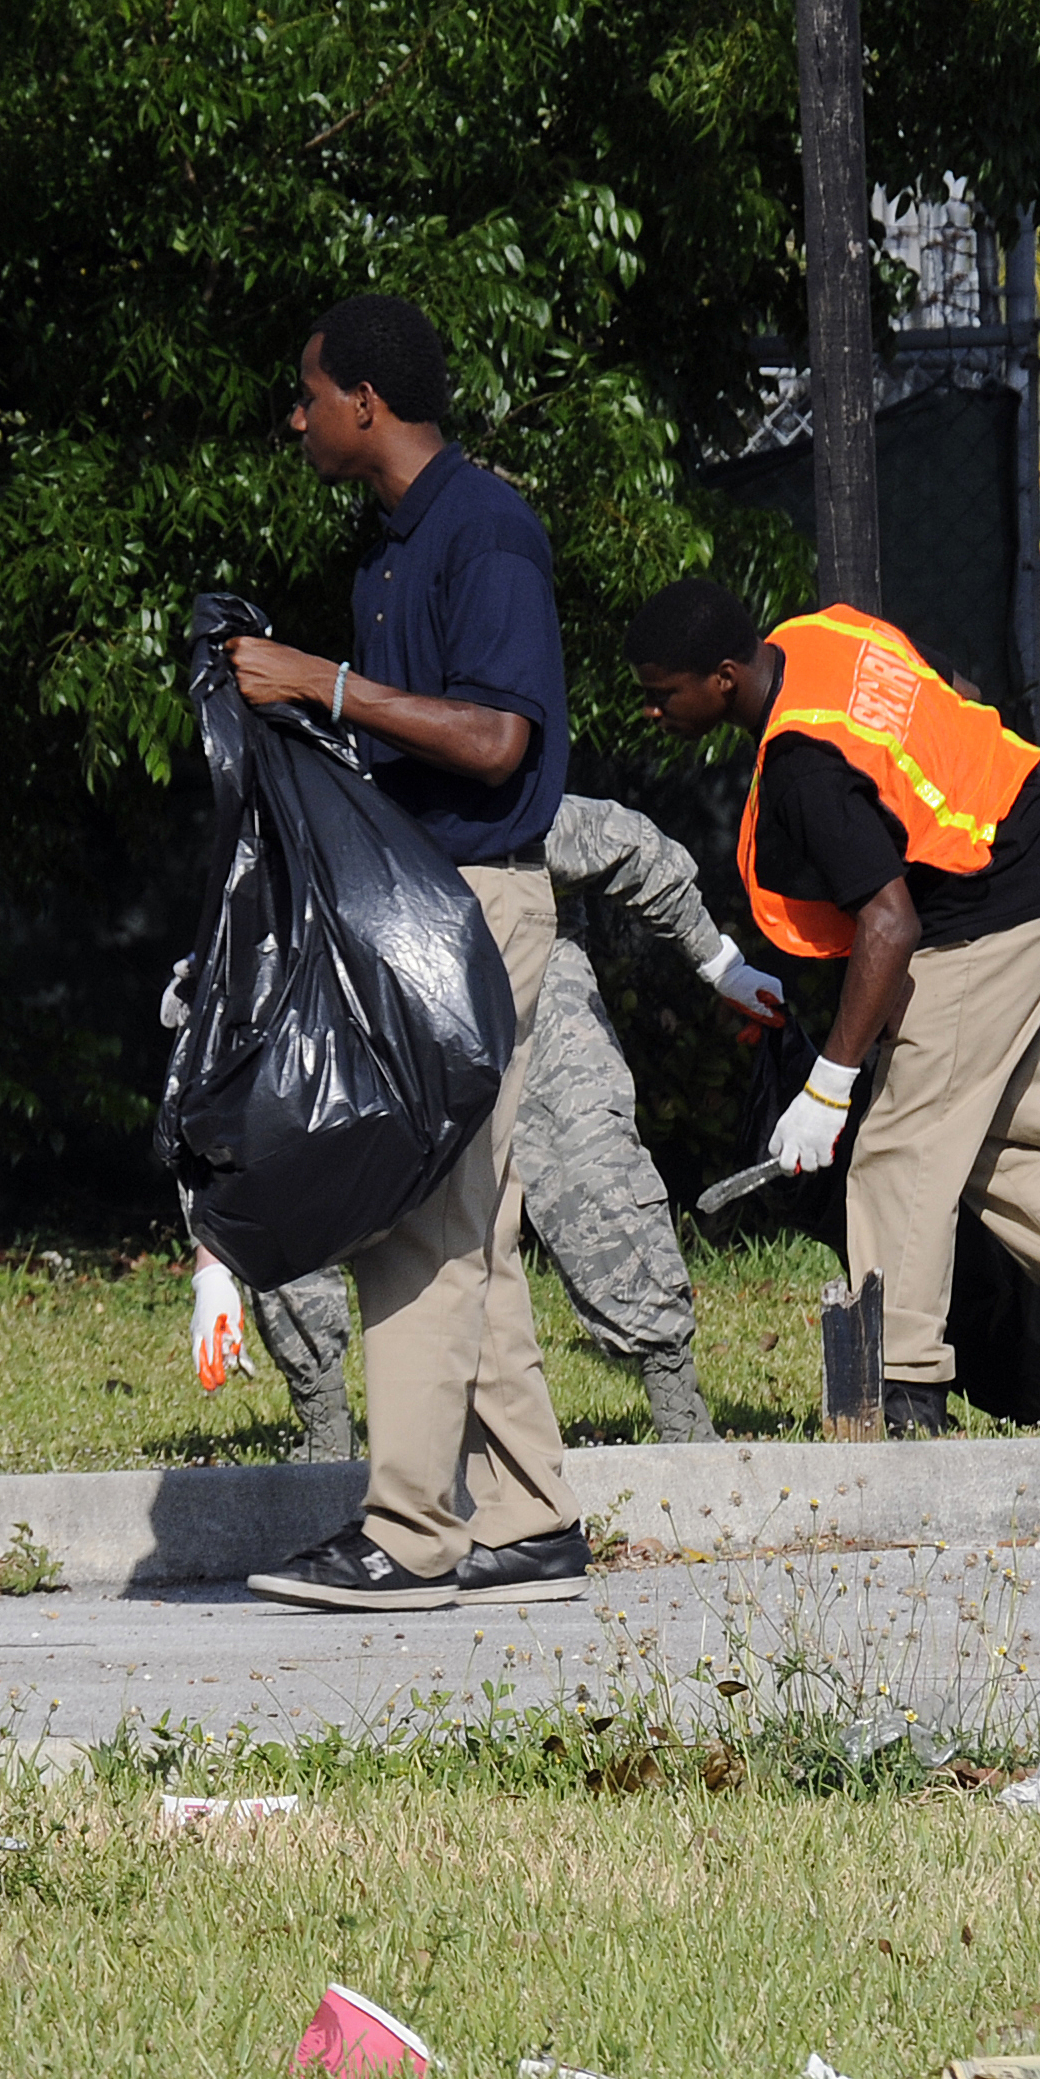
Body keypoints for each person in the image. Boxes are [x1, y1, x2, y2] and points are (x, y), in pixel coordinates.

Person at [626, 583, 1040, 1433]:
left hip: (995, 907)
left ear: (720, 679)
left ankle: (899, 1397)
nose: (650, 710)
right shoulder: (819, 634)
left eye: (661, 691)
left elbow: (889, 924)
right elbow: (957, 700)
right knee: (999, 1141)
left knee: (898, 1148)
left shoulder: (804, 768)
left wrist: (829, 1087)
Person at [221, 295, 589, 1610]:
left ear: (366, 401)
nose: (299, 415)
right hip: (425, 909)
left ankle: (413, 1535)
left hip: (479, 911)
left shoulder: (483, 529)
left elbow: (499, 741)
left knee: (418, 1222)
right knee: (467, 1218)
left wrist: (325, 686)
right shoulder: (390, 546)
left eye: (310, 392)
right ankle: (536, 1515)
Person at [249, 794, 782, 1457]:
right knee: (283, 1181)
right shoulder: (317, 808)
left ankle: (679, 1413)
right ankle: (327, 1436)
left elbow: (630, 845)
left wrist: (719, 963)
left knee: (594, 1170)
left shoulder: (483, 801)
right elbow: (255, 910)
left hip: (527, 987)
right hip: (376, 1005)